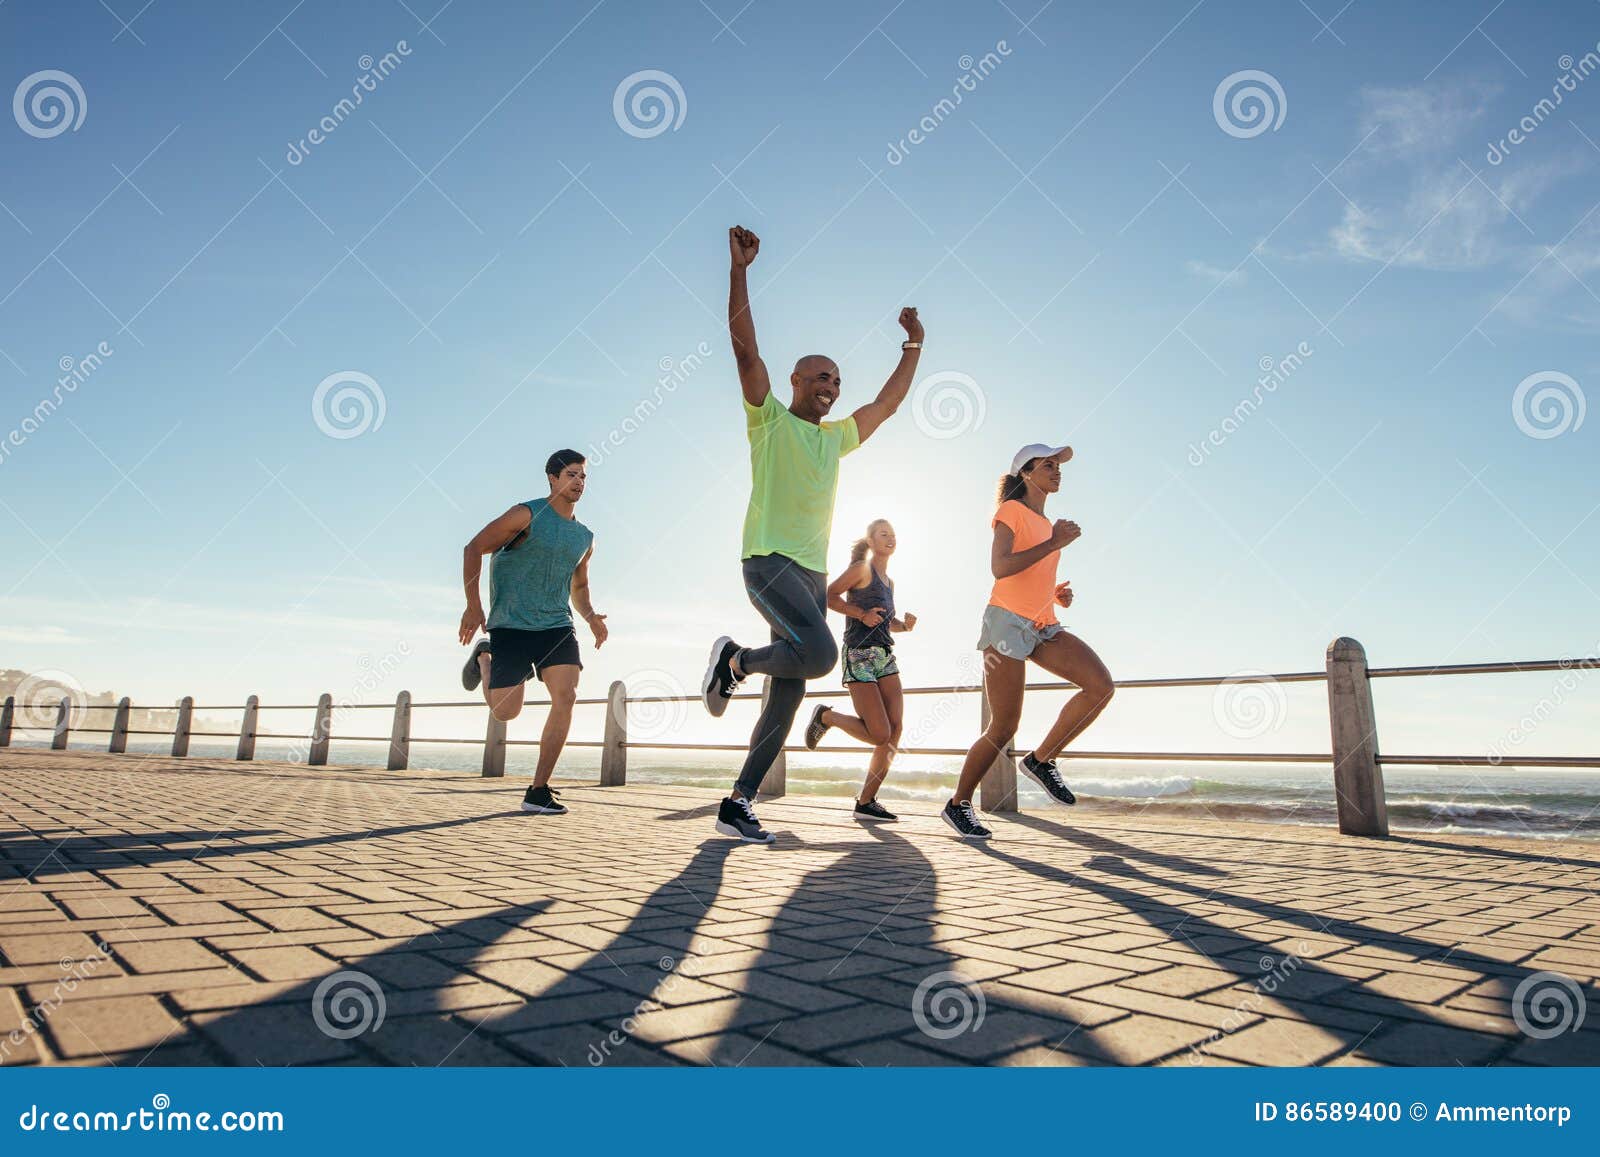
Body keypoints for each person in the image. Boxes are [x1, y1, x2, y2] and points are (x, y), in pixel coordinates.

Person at [701, 224, 925, 843]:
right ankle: (735, 659)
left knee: (790, 691)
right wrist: (739, 269)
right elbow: (745, 349)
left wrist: (913, 348)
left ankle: (738, 801)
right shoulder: (768, 420)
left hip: (809, 572)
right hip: (767, 562)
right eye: (819, 378)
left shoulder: (835, 439)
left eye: (835, 382)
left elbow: (885, 405)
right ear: (796, 382)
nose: (829, 388)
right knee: (823, 655)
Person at [943, 444, 1115, 839]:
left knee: (1100, 686)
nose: (1057, 471)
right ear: (1026, 473)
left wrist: (1055, 593)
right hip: (1005, 623)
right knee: (1003, 726)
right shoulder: (1011, 512)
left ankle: (1041, 760)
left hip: (1042, 623)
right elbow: (1001, 568)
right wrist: (1054, 543)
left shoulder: (1044, 520)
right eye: (1048, 465)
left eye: (1059, 466)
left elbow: (1031, 573)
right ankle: (958, 804)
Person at [458, 449, 608, 816]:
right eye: (571, 475)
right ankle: (484, 656)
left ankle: (538, 789)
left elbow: (580, 586)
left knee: (566, 696)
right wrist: (474, 605)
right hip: (510, 624)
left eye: (584, 477)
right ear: (552, 479)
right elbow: (474, 547)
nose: (579, 483)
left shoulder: (584, 537)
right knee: (506, 712)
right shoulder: (526, 514)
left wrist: (590, 617)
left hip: (556, 626)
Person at [804, 519, 917, 821]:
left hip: (884, 656)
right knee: (880, 733)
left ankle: (866, 801)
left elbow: (882, 621)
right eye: (884, 534)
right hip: (858, 654)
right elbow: (829, 596)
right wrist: (859, 613)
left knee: (895, 731)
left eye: (893, 534)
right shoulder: (861, 570)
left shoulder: (890, 582)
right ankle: (827, 716)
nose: (891, 538)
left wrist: (903, 626)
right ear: (870, 541)